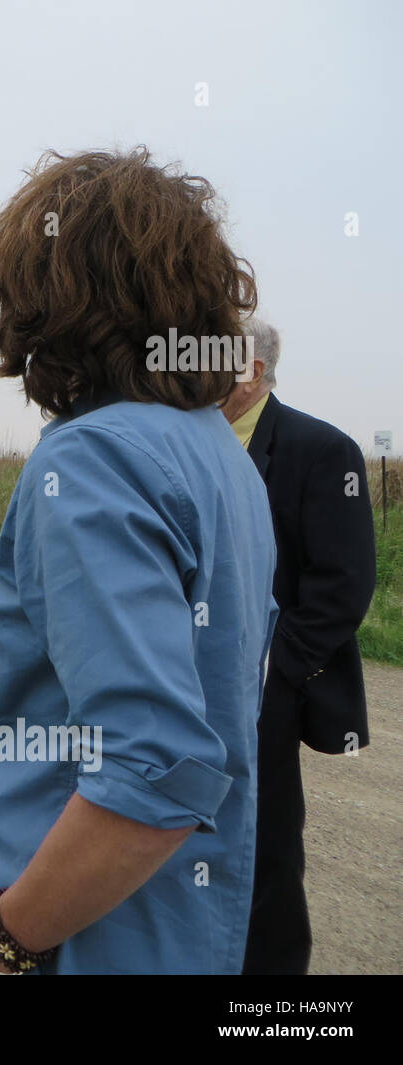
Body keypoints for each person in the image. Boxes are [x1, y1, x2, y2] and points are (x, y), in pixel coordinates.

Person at [0, 148, 279, 974]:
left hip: (75, 939)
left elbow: (154, 766)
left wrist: (0, 939)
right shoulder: (216, 452)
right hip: (175, 925)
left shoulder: (91, 458)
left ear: (46, 297)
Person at [222, 320, 376, 975]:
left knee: (264, 849)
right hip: (185, 683)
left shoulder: (322, 449)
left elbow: (344, 582)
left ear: (251, 370)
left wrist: (275, 674)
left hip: (264, 693)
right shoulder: (188, 446)